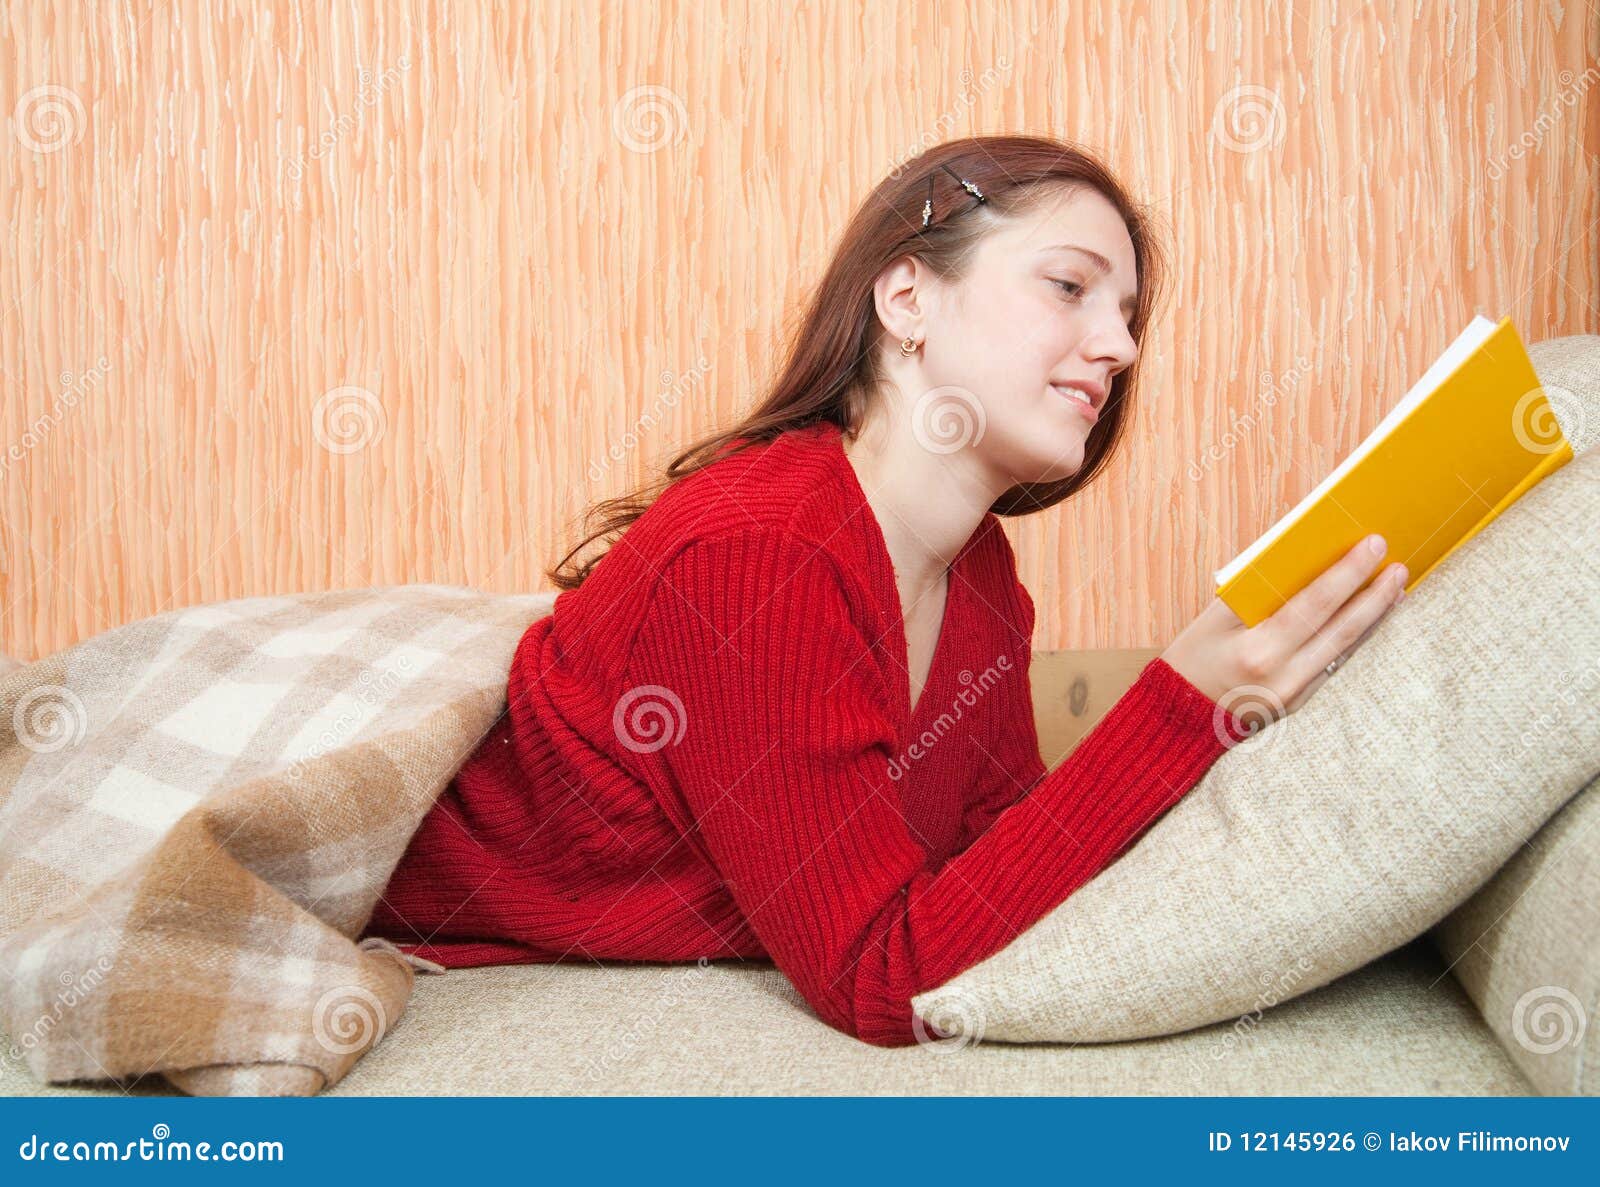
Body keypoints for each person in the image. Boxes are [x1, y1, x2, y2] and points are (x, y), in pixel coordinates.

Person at [360, 135, 1407, 1047]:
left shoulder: (982, 577)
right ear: (907, 297)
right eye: (1068, 286)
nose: (1120, 346)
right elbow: (878, 978)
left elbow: (1000, 861)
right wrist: (1179, 701)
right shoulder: (758, 552)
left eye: (1128, 315)